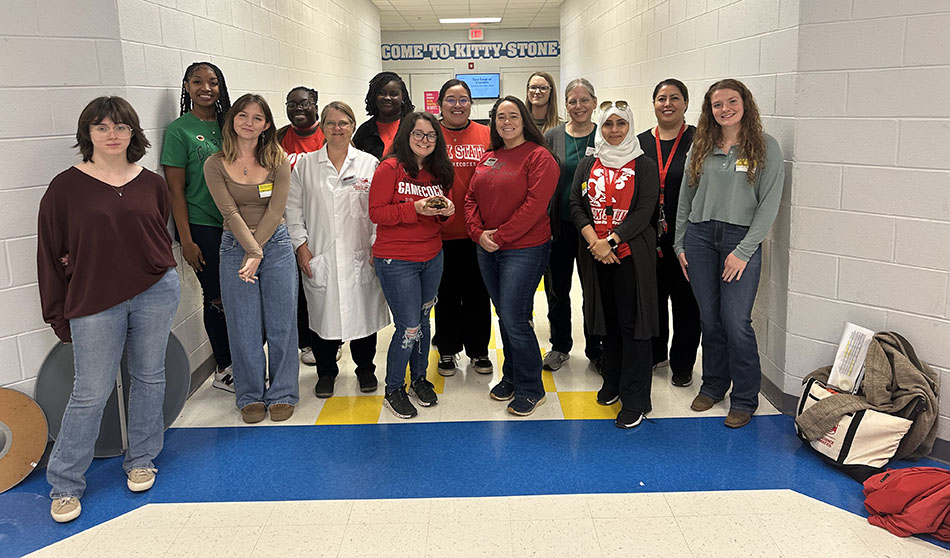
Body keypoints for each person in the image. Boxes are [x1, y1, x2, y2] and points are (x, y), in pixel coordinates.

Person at [38, 96, 180, 523]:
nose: (112, 134)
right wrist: (58, 311)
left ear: (133, 133)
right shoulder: (66, 187)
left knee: (149, 378)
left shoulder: (152, 184)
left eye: (120, 126)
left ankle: (141, 458)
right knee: (91, 390)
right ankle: (64, 483)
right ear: (88, 135)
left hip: (156, 290)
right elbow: (49, 252)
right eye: (101, 127)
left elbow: (159, 234)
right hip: (95, 298)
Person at [674, 79, 785, 429]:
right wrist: (679, 243)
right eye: (717, 104)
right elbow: (685, 198)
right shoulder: (702, 145)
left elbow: (769, 205)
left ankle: (745, 398)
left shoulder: (766, 146)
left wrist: (744, 252)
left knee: (737, 322)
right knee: (710, 319)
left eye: (731, 101)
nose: (724, 109)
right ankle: (714, 385)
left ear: (745, 103)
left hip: (741, 240)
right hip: (701, 238)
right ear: (709, 110)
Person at [204, 94, 298, 424]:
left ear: (267, 125)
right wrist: (251, 250)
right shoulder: (215, 163)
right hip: (235, 247)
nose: (249, 122)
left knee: (282, 323)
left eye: (257, 118)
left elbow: (276, 209)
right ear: (231, 120)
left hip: (277, 245)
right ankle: (250, 394)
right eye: (242, 115)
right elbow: (228, 211)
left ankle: (284, 392)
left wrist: (258, 250)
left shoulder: (277, 158)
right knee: (243, 325)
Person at [286, 101, 389, 398]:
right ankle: (326, 373)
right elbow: (293, 210)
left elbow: (377, 210)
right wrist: (302, 248)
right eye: (331, 123)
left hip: (360, 253)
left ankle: (365, 369)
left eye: (343, 123)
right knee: (322, 317)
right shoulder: (305, 165)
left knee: (364, 315)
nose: (337, 129)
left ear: (353, 127)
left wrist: (374, 244)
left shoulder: (369, 164)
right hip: (321, 254)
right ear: (322, 127)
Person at [465, 96, 559, 416]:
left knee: (515, 317)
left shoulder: (539, 156)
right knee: (506, 315)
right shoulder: (489, 155)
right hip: (488, 247)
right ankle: (512, 375)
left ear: (524, 120)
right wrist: (478, 233)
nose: (506, 121)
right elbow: (470, 198)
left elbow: (534, 208)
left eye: (513, 115)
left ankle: (532, 387)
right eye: (500, 116)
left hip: (525, 248)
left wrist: (500, 237)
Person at [570, 101, 660, 429]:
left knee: (632, 325)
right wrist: (594, 240)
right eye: (608, 125)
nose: (614, 130)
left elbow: (645, 211)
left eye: (621, 124)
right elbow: (575, 204)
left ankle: (635, 397)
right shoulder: (588, 162)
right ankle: (613, 381)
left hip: (630, 256)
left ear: (630, 126)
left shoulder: (644, 165)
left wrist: (611, 241)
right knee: (606, 322)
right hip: (596, 255)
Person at [369, 112, 455, 419]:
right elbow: (377, 213)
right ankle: (394, 387)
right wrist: (414, 208)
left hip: (431, 256)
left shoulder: (440, 171)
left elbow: (444, 216)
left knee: (424, 318)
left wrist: (446, 211)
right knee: (408, 326)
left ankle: (419, 378)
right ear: (406, 136)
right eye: (418, 134)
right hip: (396, 260)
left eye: (431, 135)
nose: (424, 140)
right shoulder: (389, 168)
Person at [161, 61, 234, 393]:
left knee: (239, 295)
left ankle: (242, 359)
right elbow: (175, 190)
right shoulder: (179, 130)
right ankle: (224, 367)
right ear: (186, 87)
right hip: (202, 224)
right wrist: (186, 239)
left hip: (237, 223)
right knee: (216, 295)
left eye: (213, 82)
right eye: (197, 81)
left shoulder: (230, 124)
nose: (206, 87)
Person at [637, 78, 701, 388]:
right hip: (647, 235)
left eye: (675, 98)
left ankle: (683, 363)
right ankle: (655, 352)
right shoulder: (639, 143)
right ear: (653, 104)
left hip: (687, 236)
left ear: (686, 103)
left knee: (686, 301)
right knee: (653, 298)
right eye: (661, 98)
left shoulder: (699, 141)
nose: (668, 104)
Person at [542, 77, 604, 372]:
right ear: (565, 104)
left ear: (594, 102)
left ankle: (596, 346)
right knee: (557, 289)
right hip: (559, 226)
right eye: (572, 101)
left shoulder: (605, 135)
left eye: (584, 100)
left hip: (595, 228)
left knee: (594, 289)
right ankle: (560, 345)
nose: (578, 106)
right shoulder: (553, 136)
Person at [432, 79, 493, 377]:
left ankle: (479, 350)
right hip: (438, 232)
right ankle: (447, 349)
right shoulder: (429, 134)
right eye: (451, 99)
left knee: (478, 294)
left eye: (463, 99)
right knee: (445, 294)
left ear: (471, 103)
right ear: (440, 104)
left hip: (477, 231)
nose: (457, 105)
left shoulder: (487, 134)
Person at [276, 86, 325, 368]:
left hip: (321, 221)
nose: (297, 109)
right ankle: (306, 341)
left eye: (303, 103)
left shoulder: (327, 135)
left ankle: (329, 339)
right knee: (296, 287)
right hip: (286, 223)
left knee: (320, 281)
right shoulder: (279, 137)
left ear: (315, 105)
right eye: (291, 104)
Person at [353, 71, 414, 159]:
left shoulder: (413, 126)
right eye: (382, 93)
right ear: (374, 96)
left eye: (393, 94)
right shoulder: (365, 131)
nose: (387, 98)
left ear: (402, 97)